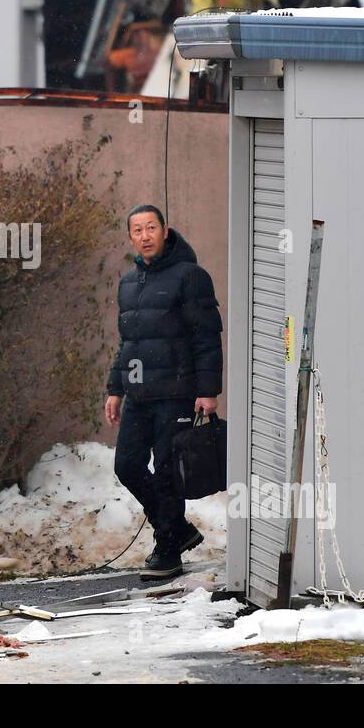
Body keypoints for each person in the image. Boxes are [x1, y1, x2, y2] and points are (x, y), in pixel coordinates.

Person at [104, 205, 222, 580]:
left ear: (165, 230)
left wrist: (207, 390)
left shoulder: (190, 277)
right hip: (139, 394)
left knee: (169, 471)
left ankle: (168, 548)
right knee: (127, 465)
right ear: (131, 237)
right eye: (137, 230)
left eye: (151, 227)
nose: (145, 235)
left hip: (176, 393)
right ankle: (179, 530)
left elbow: (206, 337)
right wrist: (115, 388)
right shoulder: (128, 282)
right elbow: (128, 342)